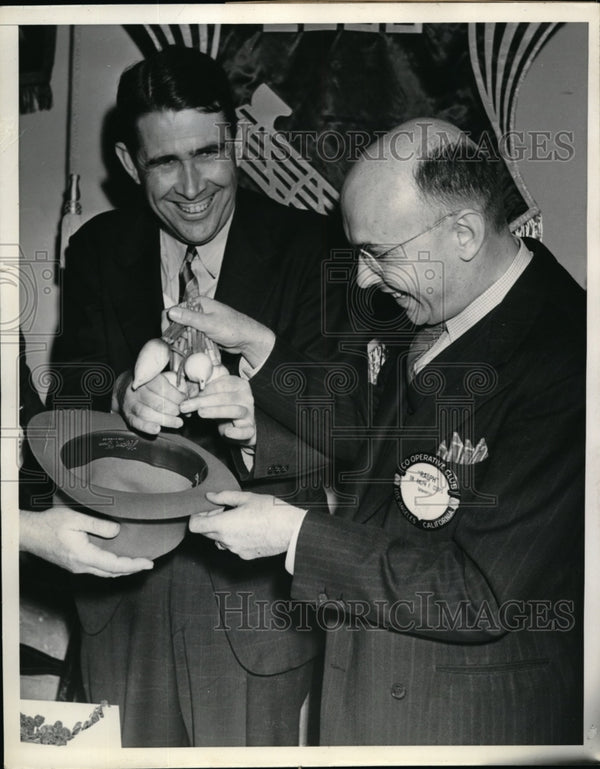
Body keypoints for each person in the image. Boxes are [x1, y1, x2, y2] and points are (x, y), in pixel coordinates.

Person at [171, 118, 585, 744]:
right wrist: (259, 373)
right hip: (364, 697)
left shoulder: (567, 353)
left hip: (462, 724)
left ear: (465, 233)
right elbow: (381, 446)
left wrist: (295, 535)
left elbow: (482, 593)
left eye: (379, 254)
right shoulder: (434, 302)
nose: (363, 279)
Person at [44, 46, 351, 747]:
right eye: (163, 163)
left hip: (254, 613)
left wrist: (251, 416)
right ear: (129, 164)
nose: (190, 186)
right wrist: (123, 395)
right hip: (121, 598)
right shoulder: (95, 251)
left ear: (237, 141)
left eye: (208, 154)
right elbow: (63, 400)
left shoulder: (313, 248)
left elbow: (344, 423)